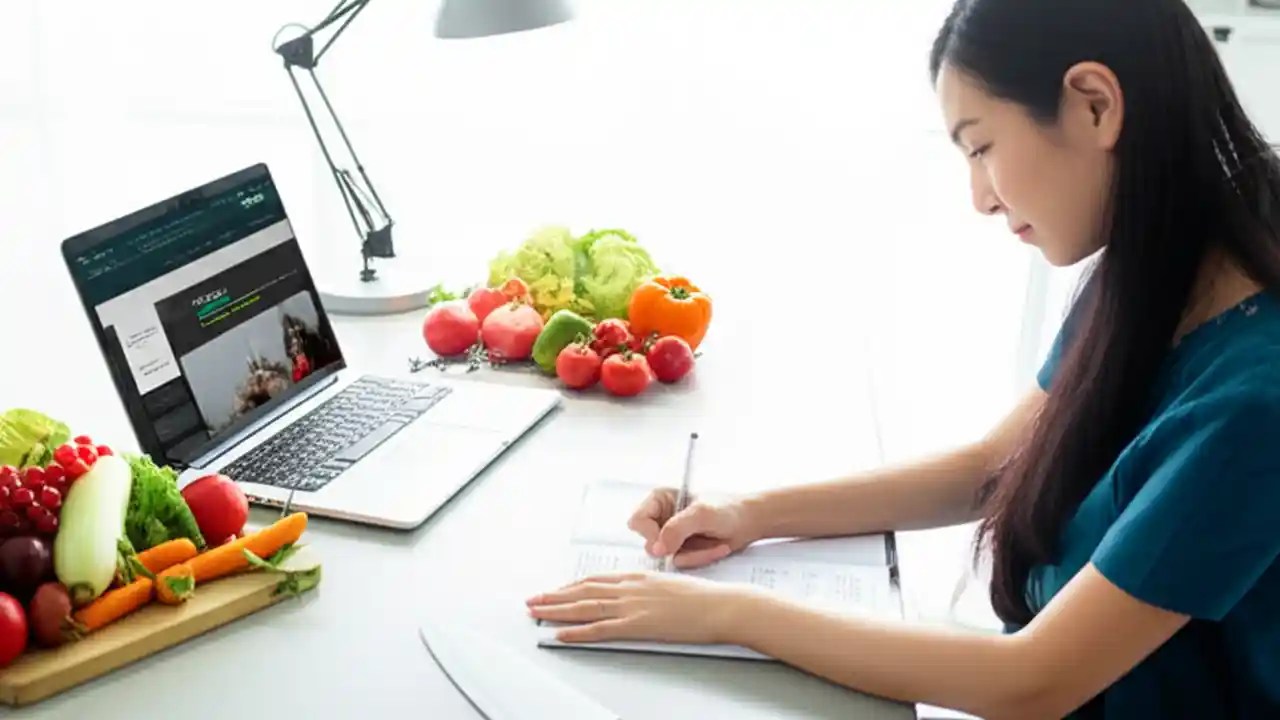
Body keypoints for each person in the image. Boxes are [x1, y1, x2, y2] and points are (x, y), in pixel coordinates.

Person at [525, 1, 1280, 717]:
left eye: (981, 147)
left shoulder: (1253, 405)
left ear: (1094, 105)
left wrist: (725, 613)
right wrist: (750, 513)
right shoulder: (1160, 270)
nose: (980, 197)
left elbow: (1032, 682)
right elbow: (992, 465)